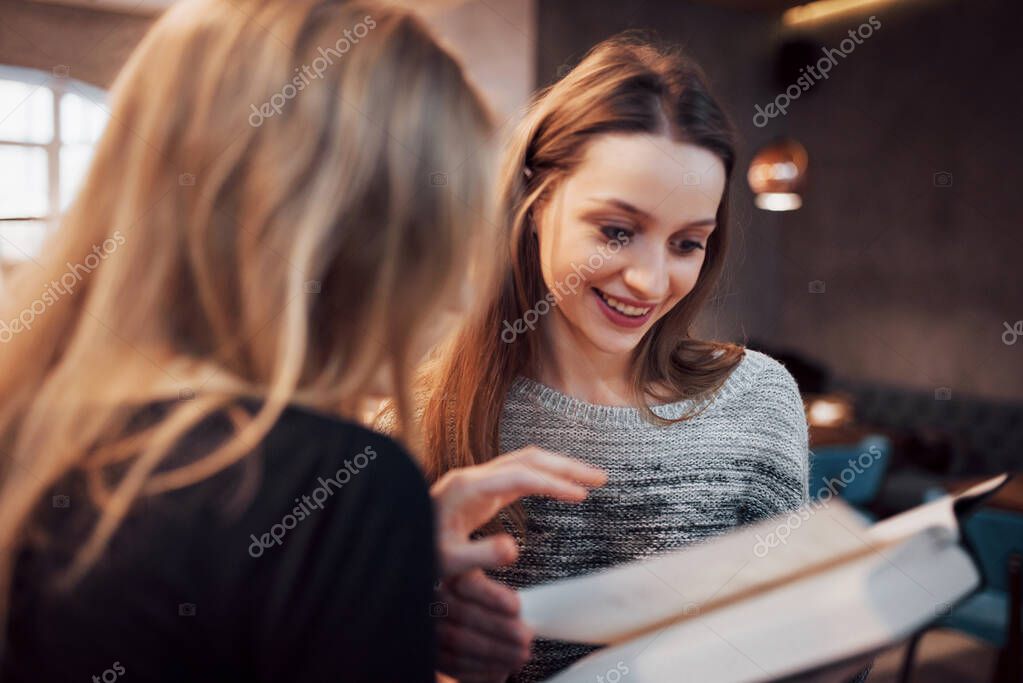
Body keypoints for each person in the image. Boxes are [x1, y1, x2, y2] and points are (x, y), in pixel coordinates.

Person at [0, 1, 605, 681]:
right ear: (342, 239)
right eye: (432, 241)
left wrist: (369, 584)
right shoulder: (334, 486)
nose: (458, 299)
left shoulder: (29, 434)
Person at [416, 35, 871, 682]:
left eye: (686, 242)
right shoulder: (424, 410)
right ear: (539, 204)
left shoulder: (757, 400)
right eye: (616, 231)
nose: (650, 281)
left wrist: (836, 638)